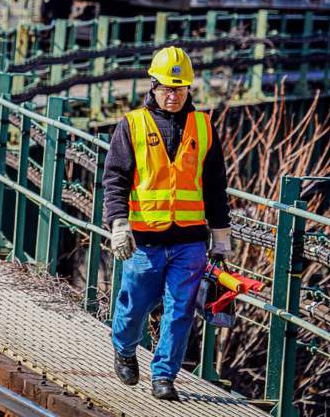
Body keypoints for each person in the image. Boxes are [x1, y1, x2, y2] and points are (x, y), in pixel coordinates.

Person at [104, 45, 231, 402]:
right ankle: (124, 349)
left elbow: (215, 186)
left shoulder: (204, 127)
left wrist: (221, 236)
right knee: (134, 307)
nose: (172, 96)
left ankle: (164, 375)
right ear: (154, 86)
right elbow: (115, 179)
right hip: (144, 240)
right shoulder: (132, 125)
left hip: (190, 241)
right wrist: (118, 224)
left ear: (189, 88)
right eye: (166, 89)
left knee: (180, 311)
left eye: (179, 89)